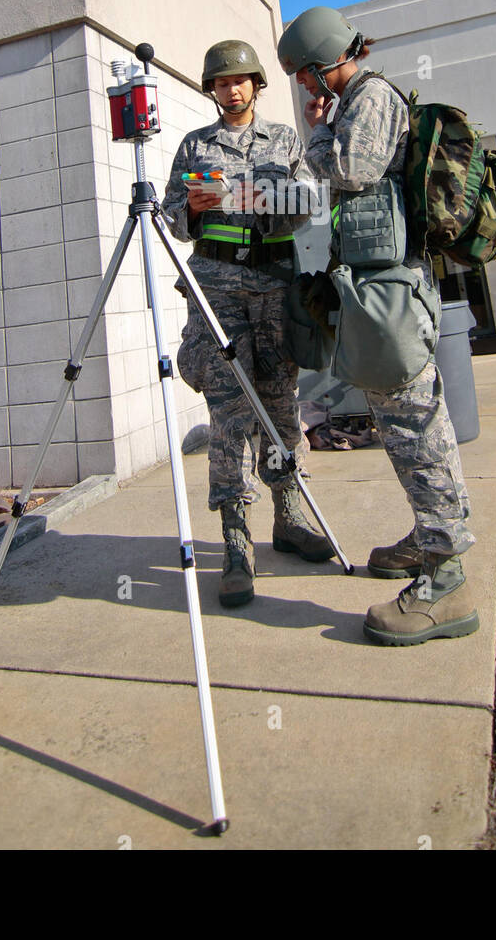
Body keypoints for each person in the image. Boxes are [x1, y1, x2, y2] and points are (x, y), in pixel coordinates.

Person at [277, 6, 479, 645]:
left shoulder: (369, 98)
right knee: (401, 421)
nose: (308, 88)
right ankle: (428, 538)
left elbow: (350, 172)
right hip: (374, 284)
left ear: (324, 62)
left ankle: (446, 580)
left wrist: (313, 138)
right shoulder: (356, 102)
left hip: (391, 287)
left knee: (416, 423)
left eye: (308, 76)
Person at [162, 39, 334, 608]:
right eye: (220, 82)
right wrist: (193, 207)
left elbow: (313, 195)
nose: (230, 90)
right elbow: (170, 222)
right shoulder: (193, 145)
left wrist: (280, 197)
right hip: (216, 284)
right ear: (210, 89)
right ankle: (237, 540)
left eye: (240, 81)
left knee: (281, 399)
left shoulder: (284, 139)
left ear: (256, 85)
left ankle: (289, 515)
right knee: (230, 408)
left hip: (274, 281)